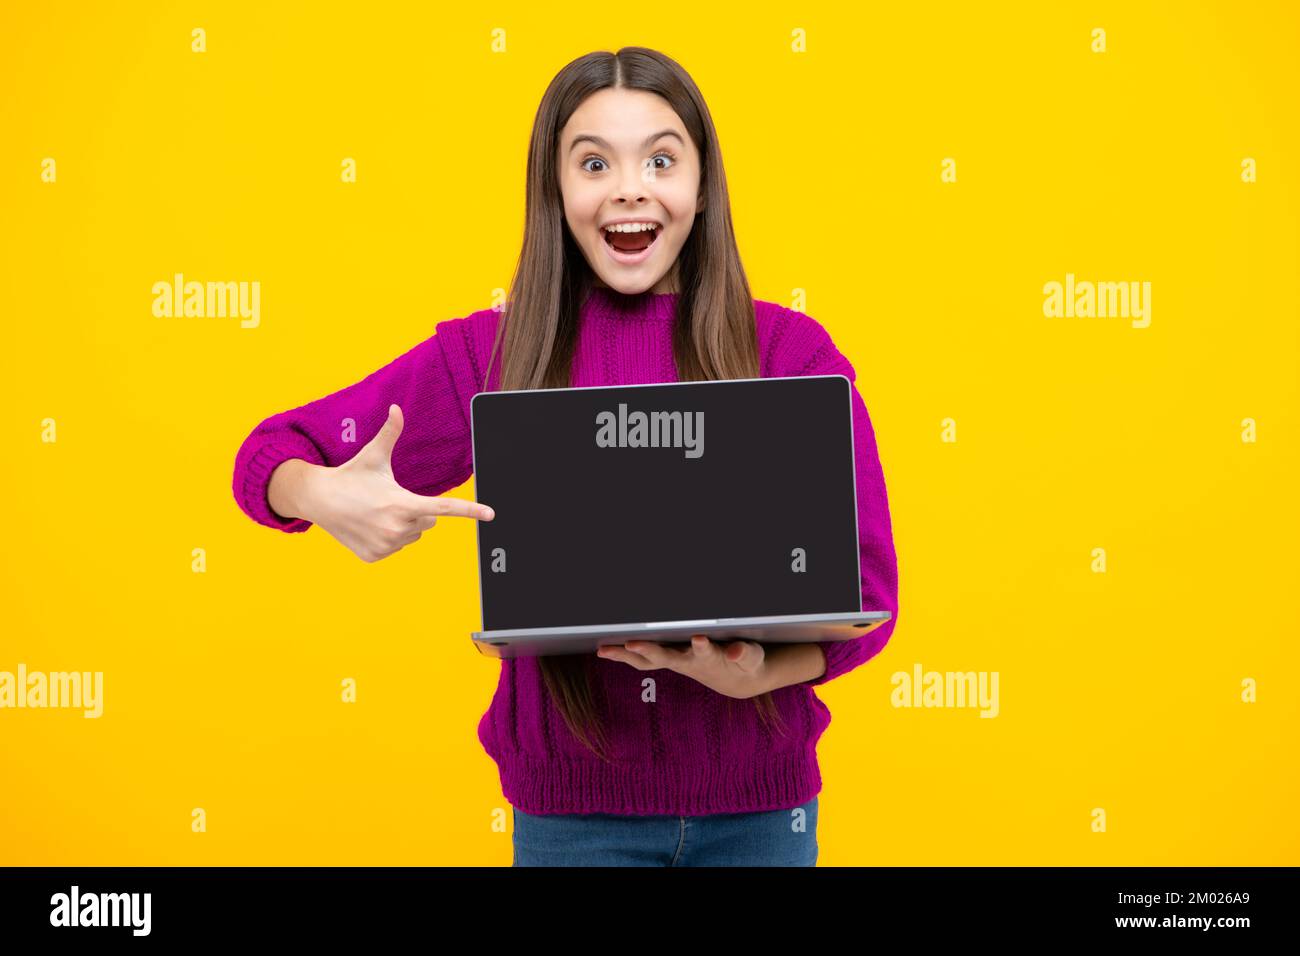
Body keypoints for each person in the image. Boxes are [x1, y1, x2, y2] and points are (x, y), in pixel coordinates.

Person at [231, 46, 899, 866]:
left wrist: (756, 675)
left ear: (701, 188)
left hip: (764, 820)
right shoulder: (492, 355)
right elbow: (269, 454)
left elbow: (869, 597)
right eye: (593, 162)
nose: (629, 187)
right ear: (555, 190)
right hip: (571, 826)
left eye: (661, 158)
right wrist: (324, 497)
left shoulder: (792, 353)